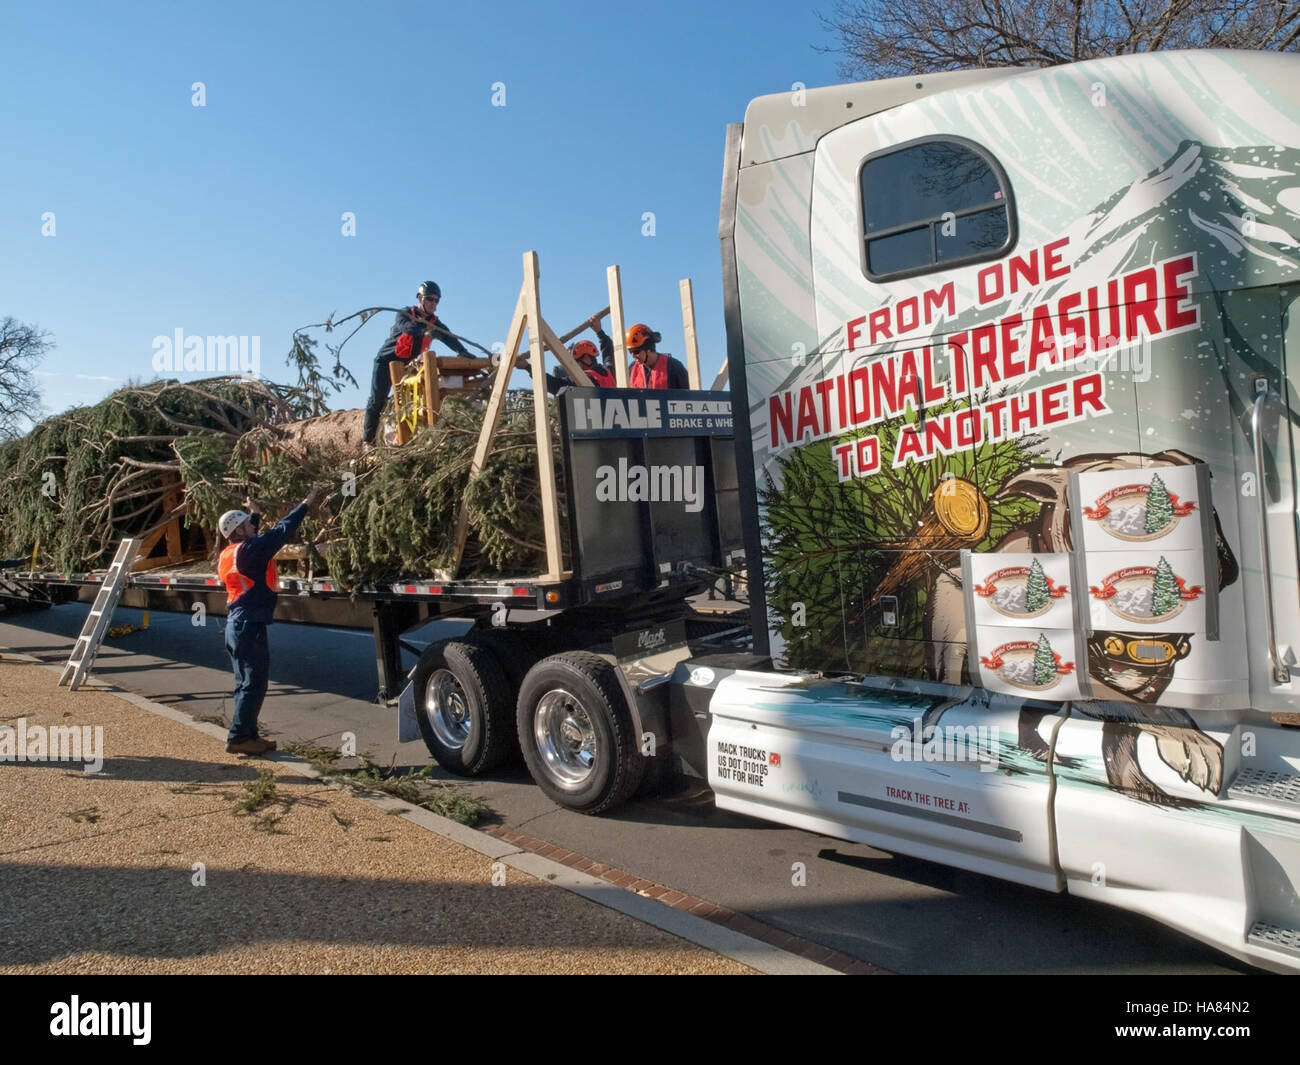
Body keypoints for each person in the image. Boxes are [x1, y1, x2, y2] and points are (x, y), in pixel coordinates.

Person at [217, 486, 331, 755]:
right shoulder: (249, 551)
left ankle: (249, 735)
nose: (252, 527)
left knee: (245, 683)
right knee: (253, 683)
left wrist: (253, 514)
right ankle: (239, 738)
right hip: (248, 625)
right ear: (238, 532)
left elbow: (252, 539)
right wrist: (306, 503)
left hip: (238, 624)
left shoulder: (231, 552)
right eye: (247, 525)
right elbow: (280, 532)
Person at [362, 281, 474, 446]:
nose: (433, 303)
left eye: (437, 300)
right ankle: (368, 441)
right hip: (386, 362)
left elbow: (449, 337)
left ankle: (410, 439)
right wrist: (425, 328)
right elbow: (408, 328)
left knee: (410, 403)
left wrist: (463, 352)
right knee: (377, 400)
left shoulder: (435, 323)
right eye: (430, 299)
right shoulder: (404, 314)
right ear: (420, 298)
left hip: (409, 368)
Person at [522, 314, 617, 393]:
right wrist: (599, 332)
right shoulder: (609, 372)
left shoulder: (586, 378)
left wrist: (527, 367)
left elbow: (554, 385)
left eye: (576, 363)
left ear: (586, 359)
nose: (574, 368)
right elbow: (608, 351)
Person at [626, 323, 689, 389]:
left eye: (636, 351)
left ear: (648, 348)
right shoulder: (631, 369)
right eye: (630, 352)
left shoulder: (674, 367)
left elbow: (688, 396)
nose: (633, 356)